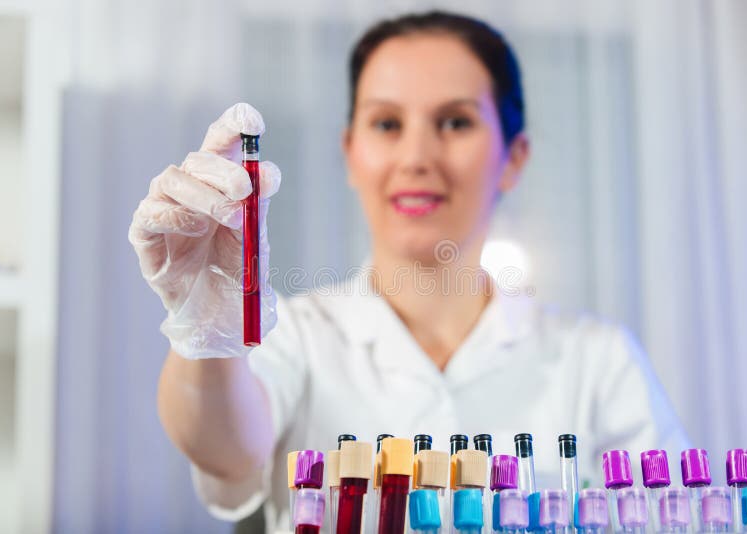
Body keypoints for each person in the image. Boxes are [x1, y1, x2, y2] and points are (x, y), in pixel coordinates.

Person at [128, 10, 689, 532]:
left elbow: (679, 513)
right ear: (351, 152)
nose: (417, 156)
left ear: (514, 157)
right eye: (387, 123)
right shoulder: (297, 335)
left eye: (454, 121)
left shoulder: (598, 360)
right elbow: (225, 448)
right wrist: (209, 333)